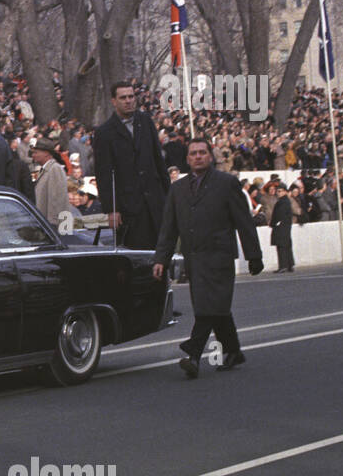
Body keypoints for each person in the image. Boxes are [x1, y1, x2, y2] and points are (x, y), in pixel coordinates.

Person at [152, 137, 263, 379]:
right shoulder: (177, 189)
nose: (198, 157)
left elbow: (244, 222)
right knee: (215, 306)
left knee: (208, 306)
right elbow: (168, 228)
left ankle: (193, 351)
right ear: (187, 158)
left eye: (202, 152)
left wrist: (254, 255)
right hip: (195, 258)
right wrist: (161, 258)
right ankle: (233, 351)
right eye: (193, 153)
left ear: (210, 156)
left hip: (220, 255)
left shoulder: (227, 183)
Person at [94, 82, 170, 250]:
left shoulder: (146, 122)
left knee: (162, 255)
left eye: (131, 97)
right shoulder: (104, 133)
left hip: (156, 202)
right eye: (123, 98)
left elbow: (158, 161)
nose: (128, 101)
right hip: (129, 208)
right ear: (113, 101)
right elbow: (104, 175)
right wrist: (111, 209)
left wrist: (169, 197)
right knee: (137, 259)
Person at [31, 137, 74, 227]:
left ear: (46, 153)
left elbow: (57, 200)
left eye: (36, 152)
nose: (33, 155)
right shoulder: (46, 169)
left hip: (54, 227)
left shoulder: (55, 169)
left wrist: (53, 226)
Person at [270, 182, 295, 273]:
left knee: (282, 246)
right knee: (286, 245)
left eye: (280, 191)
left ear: (285, 192)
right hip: (285, 227)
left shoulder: (283, 202)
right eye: (277, 191)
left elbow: (279, 215)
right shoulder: (284, 201)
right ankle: (289, 264)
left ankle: (283, 265)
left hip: (281, 227)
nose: (278, 193)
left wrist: (274, 223)